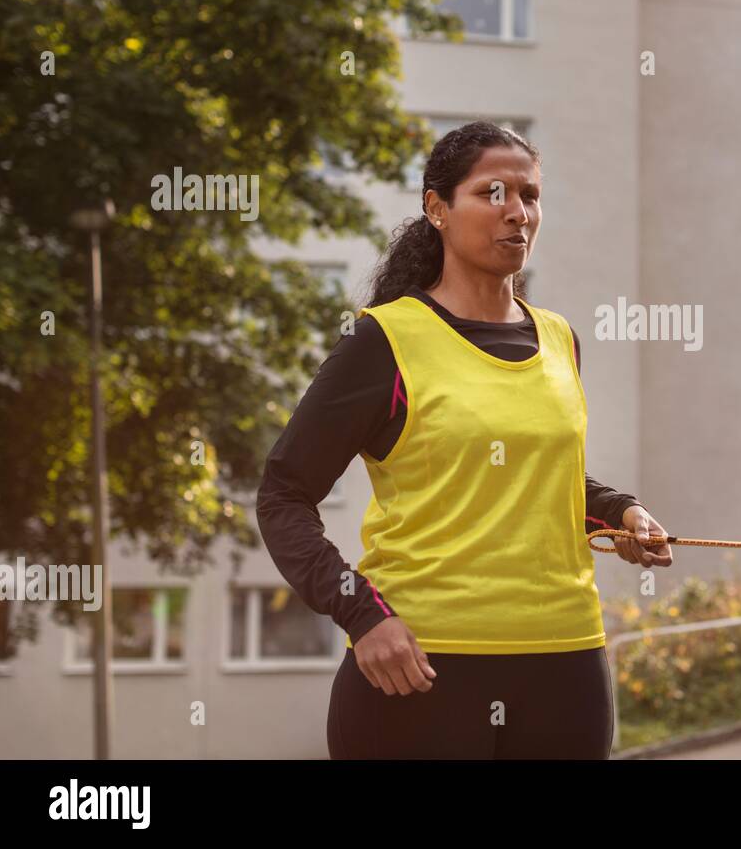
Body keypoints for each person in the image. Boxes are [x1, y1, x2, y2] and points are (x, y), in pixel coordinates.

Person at [256, 120, 671, 759]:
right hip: (419, 668)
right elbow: (283, 495)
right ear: (437, 208)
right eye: (493, 193)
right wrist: (362, 616)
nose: (518, 214)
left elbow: (539, 481)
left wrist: (620, 512)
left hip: (566, 664)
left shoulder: (560, 338)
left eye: (530, 196)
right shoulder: (382, 341)